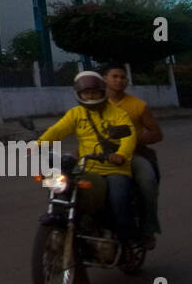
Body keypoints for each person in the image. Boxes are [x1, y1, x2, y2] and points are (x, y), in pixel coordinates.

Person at [34, 71, 139, 246]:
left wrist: (121, 155)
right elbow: (58, 130)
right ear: (79, 94)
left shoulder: (118, 114)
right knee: (66, 191)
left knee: (118, 200)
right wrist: (37, 145)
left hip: (114, 168)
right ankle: (77, 227)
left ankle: (125, 238)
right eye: (86, 92)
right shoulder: (75, 114)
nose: (90, 95)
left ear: (102, 92)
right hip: (86, 168)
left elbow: (129, 136)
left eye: (94, 92)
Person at [103, 62, 163, 248]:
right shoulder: (95, 103)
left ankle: (148, 229)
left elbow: (157, 134)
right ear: (105, 79)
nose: (119, 80)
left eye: (123, 77)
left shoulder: (138, 105)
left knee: (148, 181)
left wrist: (132, 142)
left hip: (133, 156)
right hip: (100, 156)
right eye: (115, 76)